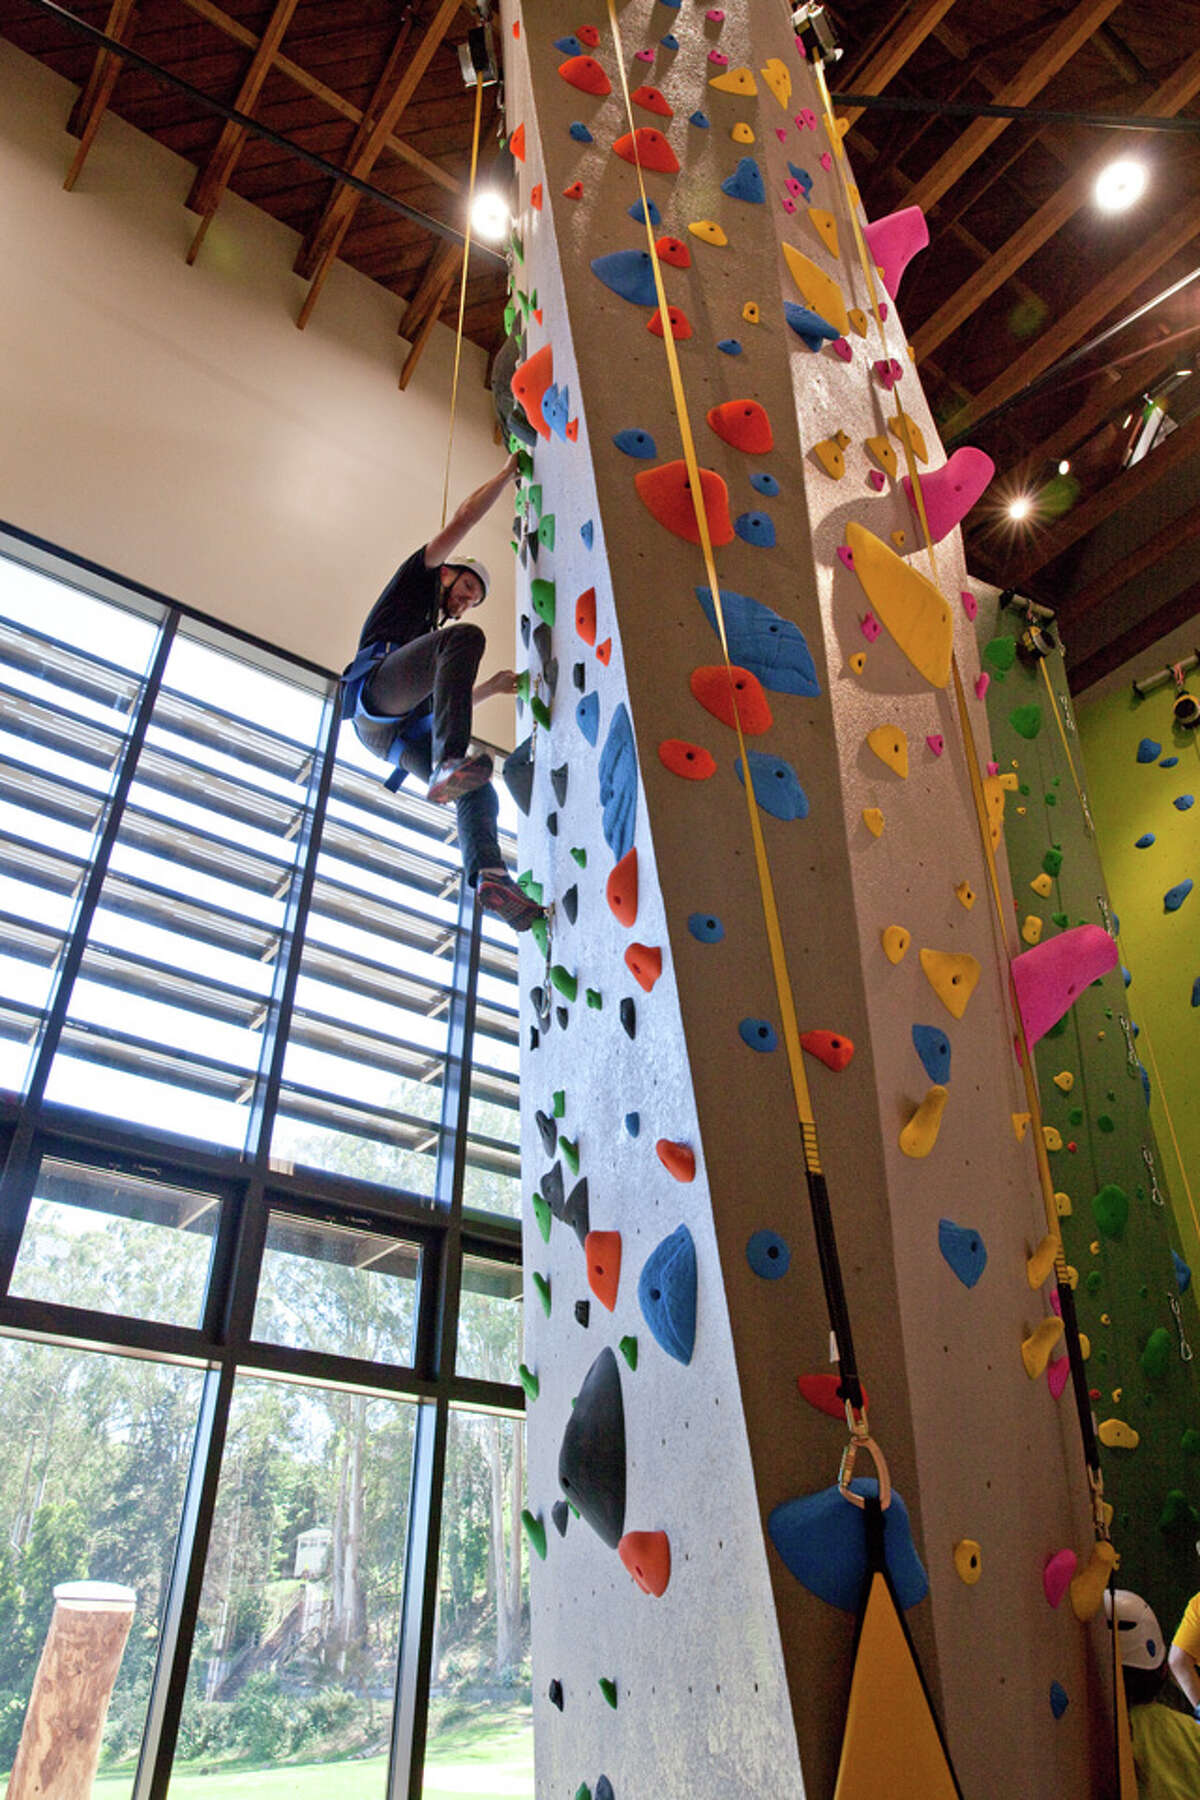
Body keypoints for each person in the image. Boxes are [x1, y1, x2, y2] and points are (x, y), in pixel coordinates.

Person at [341, 453, 542, 932]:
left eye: (472, 599)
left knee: (477, 788)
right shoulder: (417, 580)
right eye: (465, 587)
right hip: (376, 699)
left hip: (397, 736)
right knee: (465, 639)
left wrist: (490, 690)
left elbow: (442, 705)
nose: (465, 599)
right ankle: (450, 761)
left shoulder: (432, 644)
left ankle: (489, 875)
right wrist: (508, 473)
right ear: (447, 571)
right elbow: (464, 517)